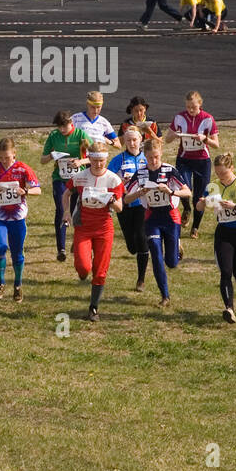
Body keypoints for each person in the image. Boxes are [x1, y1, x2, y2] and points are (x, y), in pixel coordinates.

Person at [123, 136, 190, 307]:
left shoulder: (169, 171)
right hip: (152, 217)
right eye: (150, 157)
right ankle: (165, 296)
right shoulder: (141, 173)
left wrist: (171, 192)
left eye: (157, 157)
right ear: (145, 156)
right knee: (156, 254)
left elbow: (188, 192)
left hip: (170, 217)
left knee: (172, 263)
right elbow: (126, 199)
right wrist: (140, 192)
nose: (154, 161)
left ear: (161, 155)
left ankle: (176, 245)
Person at [198, 152, 236, 324]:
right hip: (223, 233)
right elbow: (199, 206)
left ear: (232, 168)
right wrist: (202, 202)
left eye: (223, 173)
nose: (221, 177)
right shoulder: (213, 186)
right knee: (225, 272)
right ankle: (229, 308)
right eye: (217, 173)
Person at [0, 137, 41, 300]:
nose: (4, 161)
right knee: (0, 247)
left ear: (14, 153)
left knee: (17, 253)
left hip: (18, 217)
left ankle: (18, 285)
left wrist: (25, 192)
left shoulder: (23, 169)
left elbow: (37, 189)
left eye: (7, 157)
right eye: (1, 158)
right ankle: (0, 283)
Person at [69, 149, 125, 321]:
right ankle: (82, 267)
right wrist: (65, 212)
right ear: (89, 159)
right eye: (95, 160)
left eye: (102, 160)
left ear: (106, 159)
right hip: (84, 227)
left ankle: (93, 307)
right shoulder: (80, 177)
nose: (98, 164)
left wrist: (112, 200)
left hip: (104, 228)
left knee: (100, 271)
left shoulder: (113, 179)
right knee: (84, 268)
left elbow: (120, 208)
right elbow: (66, 193)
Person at [171, 90, 220, 239]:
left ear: (200, 105)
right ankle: (186, 208)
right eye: (188, 107)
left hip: (202, 161)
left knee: (199, 196)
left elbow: (216, 144)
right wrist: (174, 133)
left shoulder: (208, 119)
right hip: (184, 159)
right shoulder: (180, 117)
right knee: (185, 188)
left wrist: (205, 139)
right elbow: (167, 139)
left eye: (194, 107)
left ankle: (195, 228)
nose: (191, 110)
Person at [40, 109, 86, 262]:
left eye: (64, 127)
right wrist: (52, 155)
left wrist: (80, 162)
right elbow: (42, 160)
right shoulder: (54, 136)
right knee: (61, 209)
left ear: (71, 123)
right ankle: (61, 248)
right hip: (60, 178)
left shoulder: (80, 135)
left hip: (78, 178)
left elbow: (94, 155)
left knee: (75, 211)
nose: (61, 130)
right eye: (59, 127)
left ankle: (77, 241)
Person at [110, 128, 150, 291]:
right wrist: (120, 183)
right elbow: (108, 178)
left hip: (142, 204)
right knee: (131, 246)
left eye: (135, 140)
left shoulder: (146, 158)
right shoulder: (118, 159)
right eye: (129, 140)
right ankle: (134, 246)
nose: (132, 143)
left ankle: (141, 279)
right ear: (124, 142)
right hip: (125, 204)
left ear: (140, 139)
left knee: (141, 238)